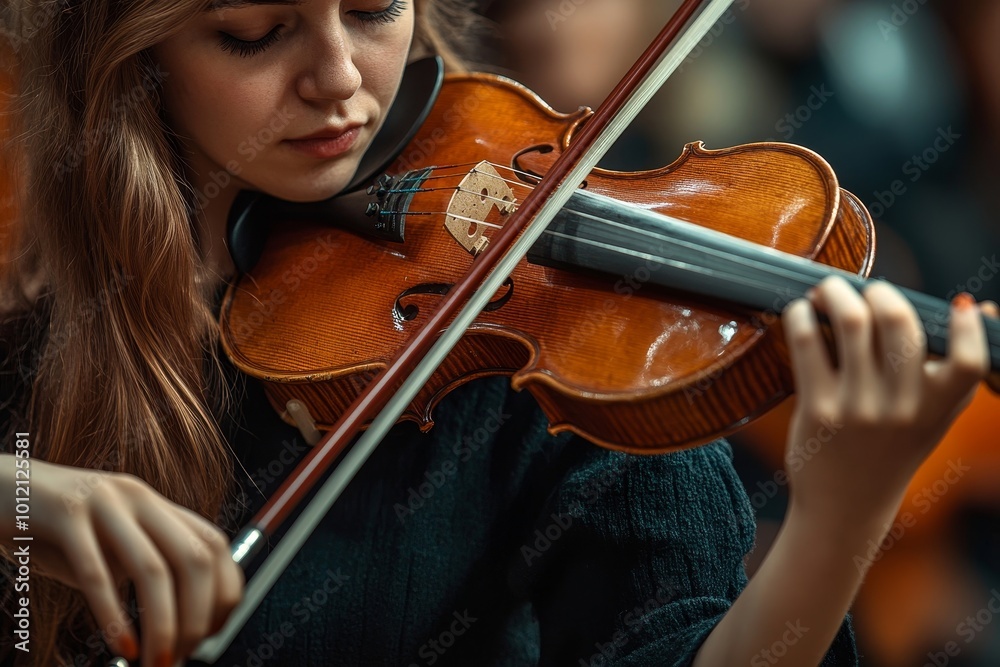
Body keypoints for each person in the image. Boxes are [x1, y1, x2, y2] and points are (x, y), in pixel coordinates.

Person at [0, 1, 994, 665]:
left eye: (374, 8)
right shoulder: (29, 321)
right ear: (130, 51)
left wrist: (839, 515)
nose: (340, 78)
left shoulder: (553, 345)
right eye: (256, 32)